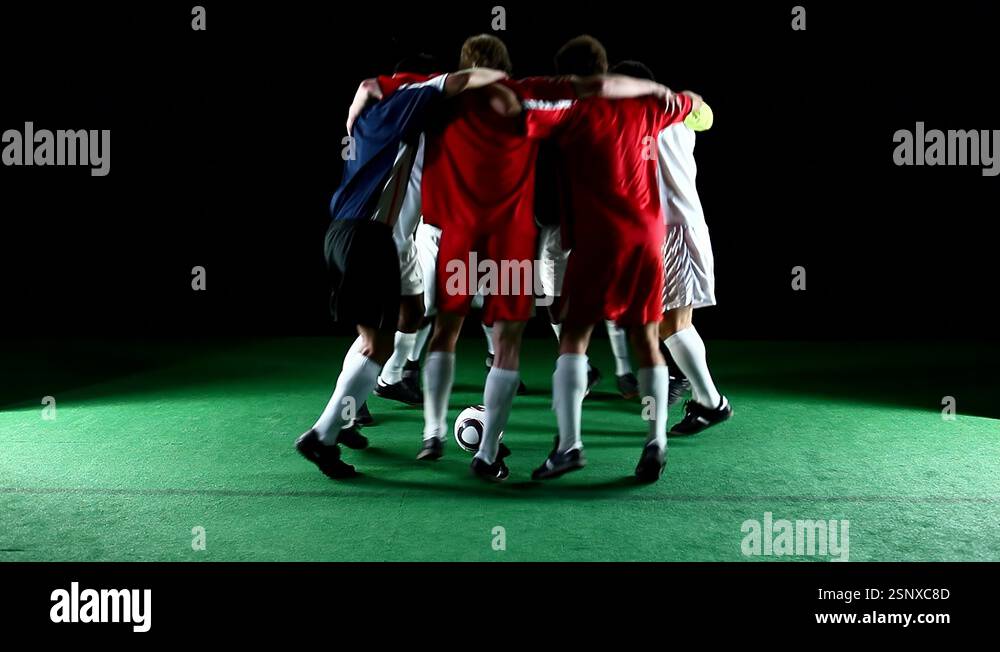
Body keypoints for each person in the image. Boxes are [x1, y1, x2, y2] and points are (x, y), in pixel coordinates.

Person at [416, 34, 675, 483]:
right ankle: (654, 441)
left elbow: (518, 107)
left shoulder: (443, 104)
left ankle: (439, 433)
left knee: (460, 330)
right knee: (636, 337)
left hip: (464, 233)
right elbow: (693, 107)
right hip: (621, 236)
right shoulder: (639, 104)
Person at [493, 35, 702, 483]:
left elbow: (511, 99)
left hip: (596, 239)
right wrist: (644, 90)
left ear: (568, 76)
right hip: (647, 238)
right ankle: (655, 442)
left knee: (573, 339)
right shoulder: (651, 105)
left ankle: (569, 446)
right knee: (648, 340)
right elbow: (693, 103)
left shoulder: (569, 110)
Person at [295, 64, 509, 480]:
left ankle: (348, 413)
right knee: (377, 345)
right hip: (371, 237)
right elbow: (454, 82)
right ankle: (322, 436)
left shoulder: (373, 116)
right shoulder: (413, 100)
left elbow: (368, 86)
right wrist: (497, 75)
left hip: (347, 233)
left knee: (406, 316)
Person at [610, 60, 732, 436]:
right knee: (669, 325)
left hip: (674, 232)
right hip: (671, 231)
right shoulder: (676, 114)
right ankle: (701, 396)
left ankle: (712, 403)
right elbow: (704, 115)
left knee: (675, 325)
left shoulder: (637, 121)